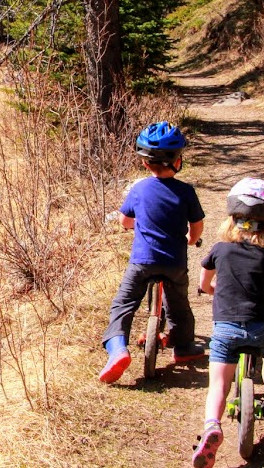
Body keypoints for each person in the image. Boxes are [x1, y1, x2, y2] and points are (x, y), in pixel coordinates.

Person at [191, 177, 264, 468]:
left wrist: (211, 291)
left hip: (225, 329)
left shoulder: (219, 251)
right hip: (260, 327)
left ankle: (212, 425)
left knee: (218, 386)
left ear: (231, 221)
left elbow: (203, 281)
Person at [99, 121, 207, 384]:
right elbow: (197, 227)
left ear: (145, 163)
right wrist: (192, 240)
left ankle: (117, 350)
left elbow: (125, 221)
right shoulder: (186, 192)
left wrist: (141, 224)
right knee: (179, 304)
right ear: (178, 161)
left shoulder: (139, 189)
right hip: (175, 262)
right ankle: (182, 348)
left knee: (123, 304)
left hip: (142, 261)